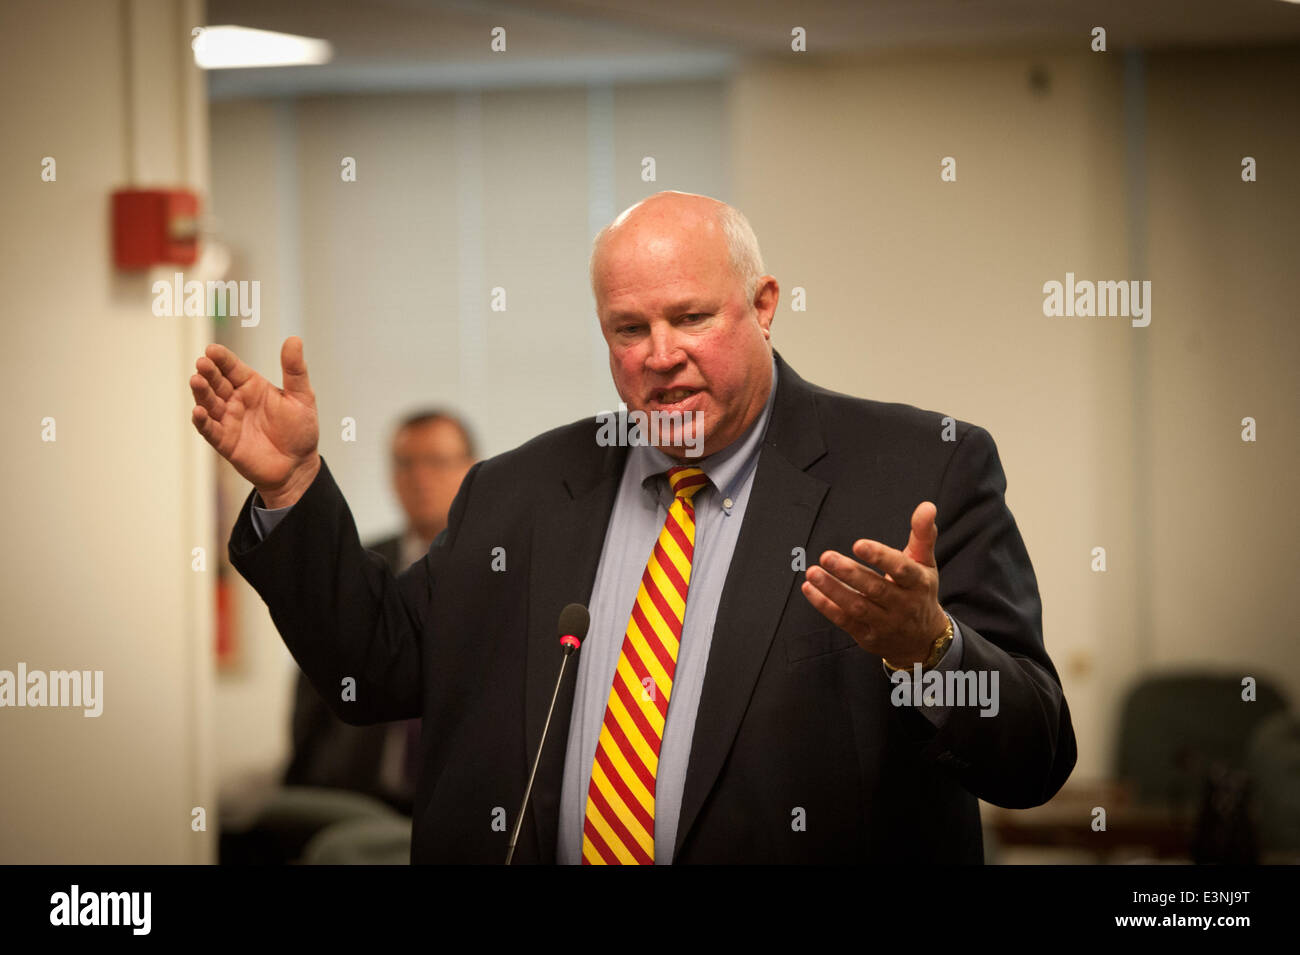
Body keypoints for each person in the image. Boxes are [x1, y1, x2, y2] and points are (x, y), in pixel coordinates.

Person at [189, 191, 1076, 863]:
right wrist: (295, 486)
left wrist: (931, 651)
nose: (658, 354)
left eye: (691, 317)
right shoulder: (524, 489)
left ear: (763, 304)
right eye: (628, 327)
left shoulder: (915, 469)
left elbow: (1034, 755)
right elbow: (372, 667)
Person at [282, 411, 475, 815]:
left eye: (437, 462)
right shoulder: (357, 565)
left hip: (464, 806)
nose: (420, 477)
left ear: (471, 469)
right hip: (357, 799)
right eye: (406, 463)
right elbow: (315, 679)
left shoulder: (498, 568)